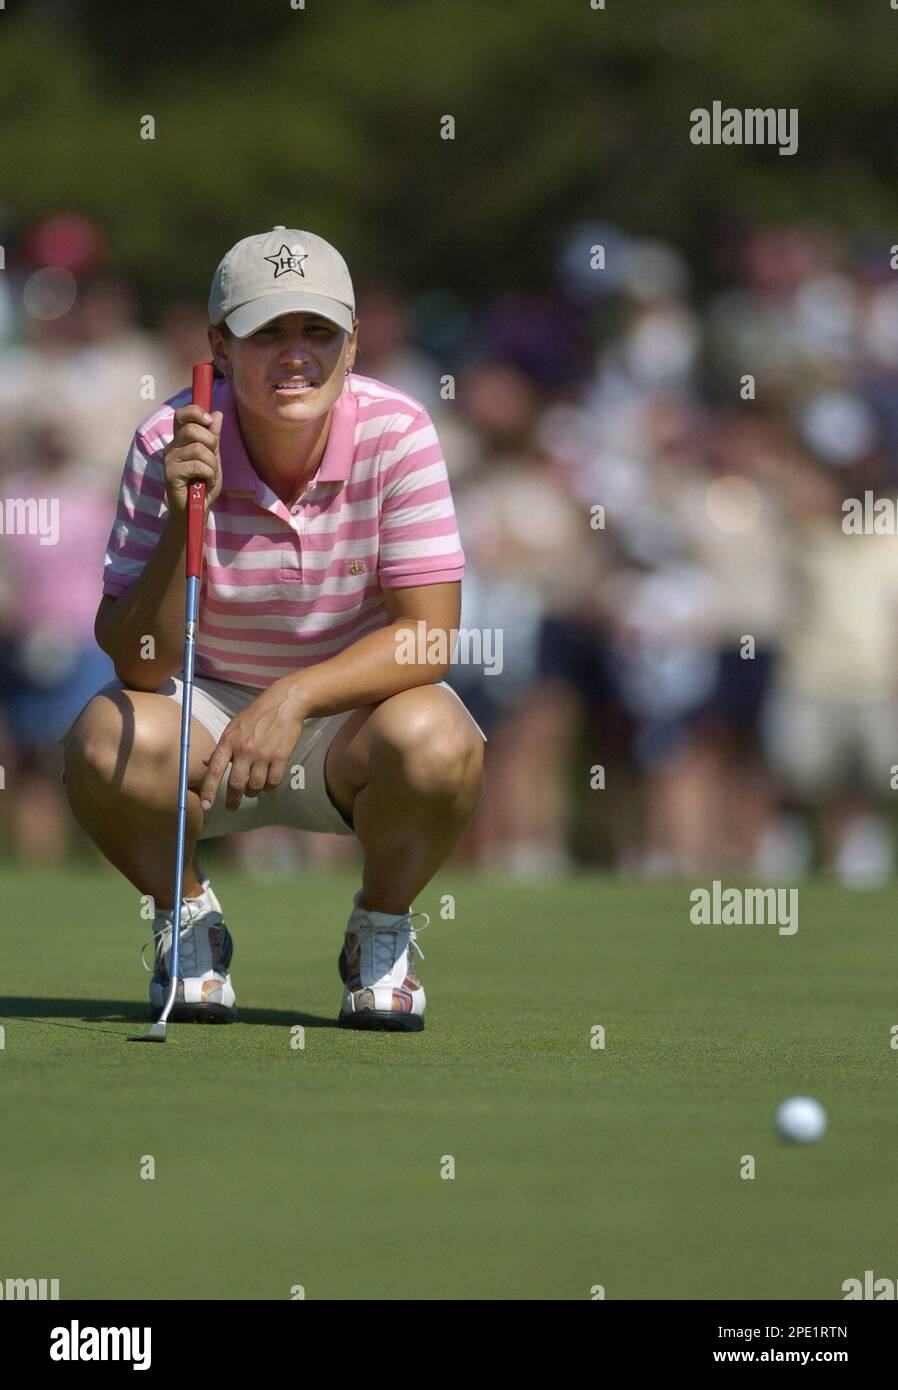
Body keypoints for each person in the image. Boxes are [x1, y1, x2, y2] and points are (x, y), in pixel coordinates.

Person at [59, 227, 486, 1032]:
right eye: (268, 333)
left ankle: (380, 931)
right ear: (221, 347)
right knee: (103, 739)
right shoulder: (166, 440)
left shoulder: (399, 433)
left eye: (317, 331)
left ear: (352, 344)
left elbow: (429, 639)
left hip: (345, 723)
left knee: (439, 738)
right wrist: (184, 519)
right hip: (202, 721)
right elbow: (139, 661)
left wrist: (292, 697)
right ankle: (189, 922)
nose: (296, 356)